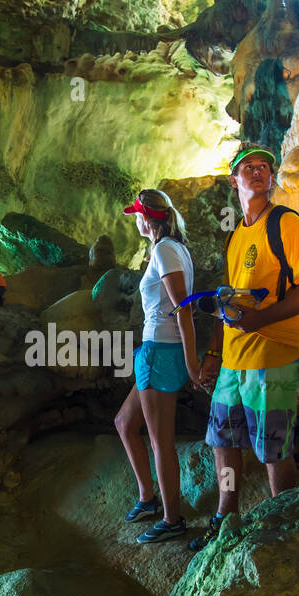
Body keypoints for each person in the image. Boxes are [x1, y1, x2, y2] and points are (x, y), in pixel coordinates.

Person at [190, 143, 299, 553]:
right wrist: (214, 354)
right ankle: (225, 515)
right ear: (233, 180)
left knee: (273, 448)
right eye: (247, 167)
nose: (257, 171)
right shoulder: (237, 236)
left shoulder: (286, 224)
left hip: (273, 357)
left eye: (264, 167)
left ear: (271, 178)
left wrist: (263, 320)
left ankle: (280, 528)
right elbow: (229, 302)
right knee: (222, 441)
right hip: (234, 359)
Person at [113, 189, 200, 544]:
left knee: (160, 442)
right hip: (157, 350)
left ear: (147, 218)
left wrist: (192, 365)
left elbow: (184, 309)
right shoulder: (174, 248)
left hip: (161, 352)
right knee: (123, 422)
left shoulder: (165, 250)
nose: (135, 219)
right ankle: (148, 498)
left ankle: (172, 518)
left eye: (137, 214)